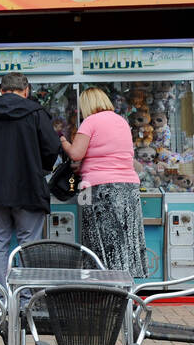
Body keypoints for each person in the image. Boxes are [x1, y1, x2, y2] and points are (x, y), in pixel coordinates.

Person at [0, 72, 59, 285]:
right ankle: (25, 300)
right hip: (30, 190)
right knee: (28, 246)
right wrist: (40, 169)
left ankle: (3, 301)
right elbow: (53, 147)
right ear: (26, 91)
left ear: (1, 90)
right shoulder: (36, 112)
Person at [59, 87, 146, 277]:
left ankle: (104, 288)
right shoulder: (121, 121)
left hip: (100, 189)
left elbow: (76, 153)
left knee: (99, 241)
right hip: (129, 187)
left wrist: (63, 141)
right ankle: (125, 292)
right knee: (125, 241)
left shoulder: (90, 121)